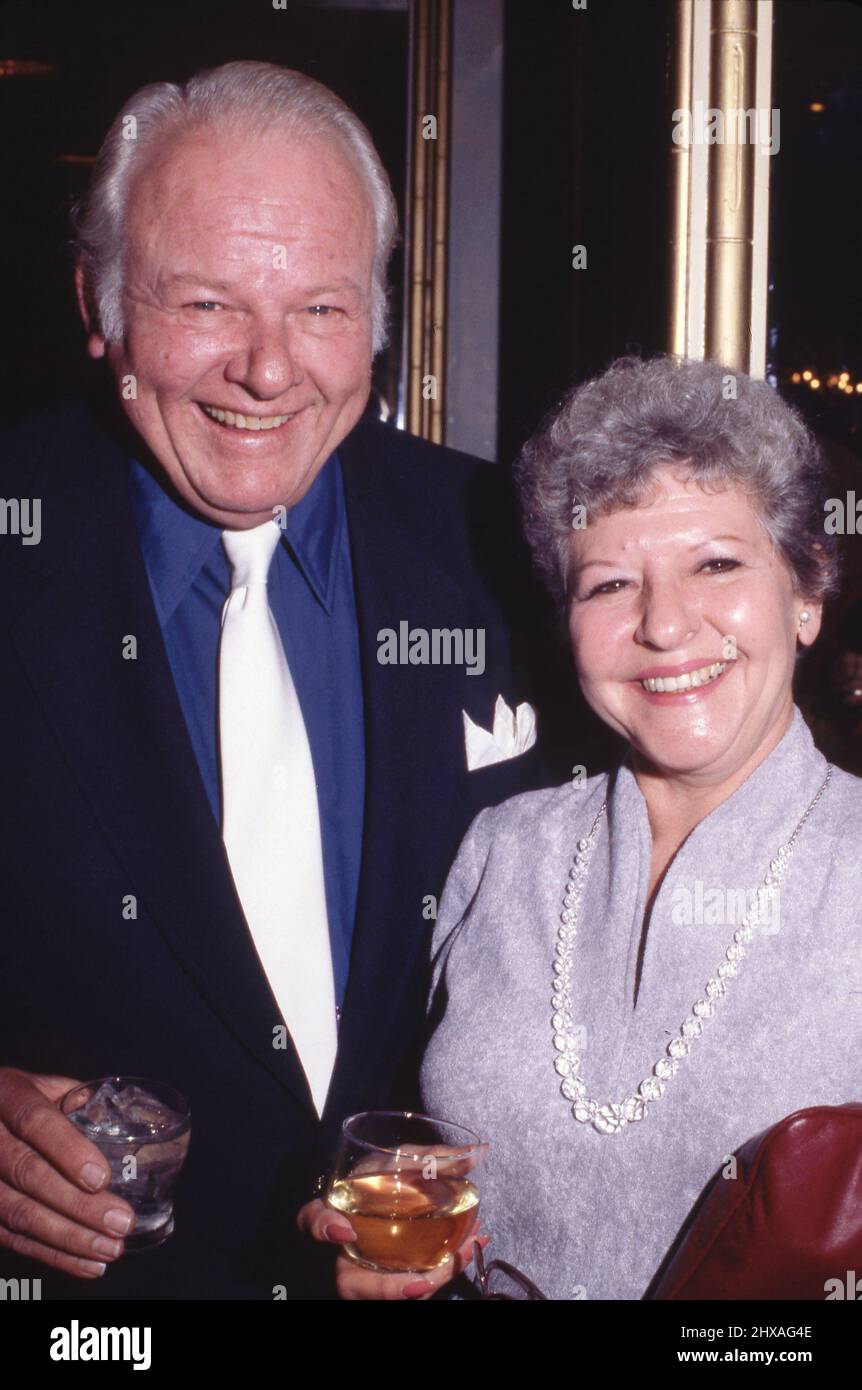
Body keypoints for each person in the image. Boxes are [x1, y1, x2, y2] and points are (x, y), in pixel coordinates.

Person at [0, 61, 555, 1300]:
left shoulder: (506, 548)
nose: (267, 370)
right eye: (206, 302)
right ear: (99, 307)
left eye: (320, 307)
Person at [310, 354, 862, 1299]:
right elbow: (432, 1147)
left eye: (716, 564)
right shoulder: (500, 850)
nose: (665, 625)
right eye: (609, 585)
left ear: (808, 592)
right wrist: (393, 1234)